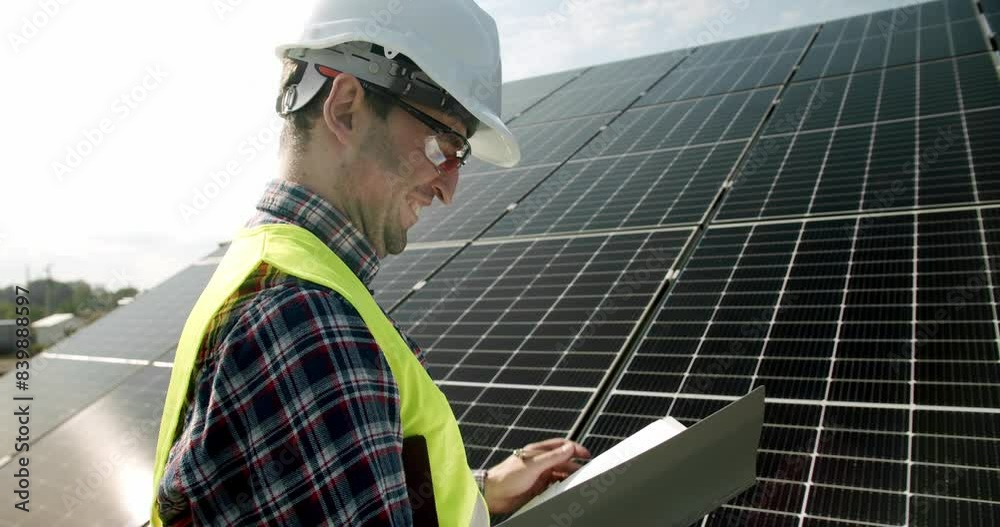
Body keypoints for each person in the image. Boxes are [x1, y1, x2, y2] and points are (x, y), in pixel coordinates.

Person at [149, 0, 591, 525]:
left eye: (461, 155)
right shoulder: (306, 322)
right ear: (346, 108)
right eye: (444, 143)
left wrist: (478, 492)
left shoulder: (272, 270)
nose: (450, 186)